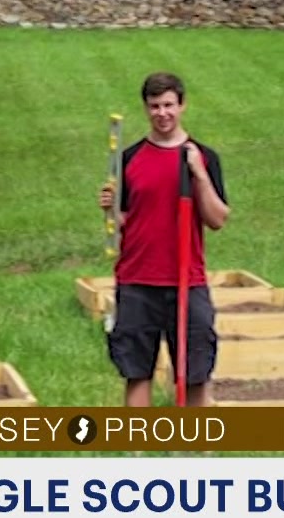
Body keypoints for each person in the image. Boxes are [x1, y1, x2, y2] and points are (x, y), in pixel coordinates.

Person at [97, 72, 231, 405]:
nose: (162, 113)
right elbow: (125, 220)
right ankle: (137, 452)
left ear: (182, 105)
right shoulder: (129, 159)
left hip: (187, 279)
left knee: (197, 372)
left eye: (169, 105)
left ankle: (197, 452)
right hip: (137, 280)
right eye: (155, 106)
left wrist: (198, 174)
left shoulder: (203, 157)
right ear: (146, 108)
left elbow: (217, 219)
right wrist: (109, 210)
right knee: (136, 372)